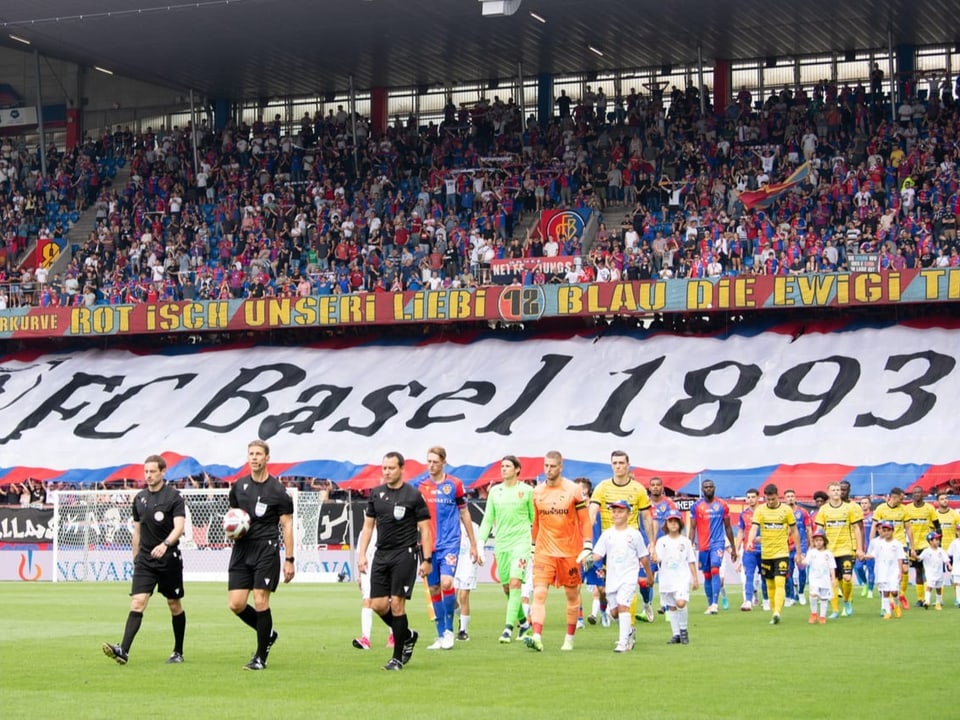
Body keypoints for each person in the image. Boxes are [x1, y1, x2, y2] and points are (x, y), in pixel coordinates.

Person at [102, 455, 186, 665]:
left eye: (152, 471)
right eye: (146, 472)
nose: (148, 476)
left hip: (169, 558)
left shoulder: (174, 497)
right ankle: (124, 651)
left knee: (174, 604)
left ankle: (178, 651)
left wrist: (165, 544)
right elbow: (137, 532)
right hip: (146, 561)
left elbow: (179, 528)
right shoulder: (139, 498)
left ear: (163, 471)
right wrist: (135, 558)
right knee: (138, 602)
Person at [357, 451, 433, 671]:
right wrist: (362, 554)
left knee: (398, 605)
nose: (387, 472)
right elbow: (368, 527)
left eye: (391, 468)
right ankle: (407, 635)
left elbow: (425, 531)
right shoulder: (376, 494)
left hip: (405, 554)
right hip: (381, 555)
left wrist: (426, 559)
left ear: (402, 469)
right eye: (384, 468)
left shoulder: (413, 495)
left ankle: (397, 657)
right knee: (377, 604)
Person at [226, 440, 295, 671]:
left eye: (258, 454)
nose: (254, 458)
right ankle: (268, 633)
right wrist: (232, 530)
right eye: (251, 454)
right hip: (241, 549)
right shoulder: (239, 486)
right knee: (236, 604)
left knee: (260, 600)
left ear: (267, 458)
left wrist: (289, 559)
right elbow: (233, 515)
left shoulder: (277, 491)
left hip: (266, 549)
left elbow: (286, 526)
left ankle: (260, 657)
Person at [410, 446, 479, 651]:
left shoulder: (455, 484)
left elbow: (465, 514)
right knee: (433, 588)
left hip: (450, 542)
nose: (431, 465)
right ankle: (440, 634)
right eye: (428, 461)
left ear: (443, 463)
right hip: (428, 544)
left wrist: (474, 544)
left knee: (447, 583)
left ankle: (449, 630)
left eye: (435, 462)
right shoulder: (419, 485)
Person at [525, 450, 592, 652]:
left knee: (572, 596)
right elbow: (537, 522)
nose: (548, 469)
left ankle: (569, 639)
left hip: (569, 552)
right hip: (544, 551)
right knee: (539, 592)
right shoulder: (537, 492)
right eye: (546, 465)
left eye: (552, 466)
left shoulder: (573, 490)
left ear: (561, 467)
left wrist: (587, 543)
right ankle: (536, 636)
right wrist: (533, 545)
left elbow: (585, 519)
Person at [589, 451, 655, 623]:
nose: (618, 466)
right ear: (611, 465)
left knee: (635, 583)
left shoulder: (638, 489)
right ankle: (610, 612)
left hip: (630, 543)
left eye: (621, 463)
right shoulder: (602, 487)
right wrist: (586, 539)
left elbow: (647, 518)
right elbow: (592, 512)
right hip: (608, 543)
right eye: (615, 463)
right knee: (604, 591)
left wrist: (652, 543)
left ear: (628, 465)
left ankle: (633, 625)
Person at [476, 455, 534, 643]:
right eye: (502, 466)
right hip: (502, 544)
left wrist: (533, 543)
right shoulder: (495, 491)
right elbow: (487, 519)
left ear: (517, 469)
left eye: (508, 466)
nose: (503, 469)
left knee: (517, 583)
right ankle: (525, 624)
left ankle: (508, 628)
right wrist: (480, 543)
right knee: (508, 588)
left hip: (521, 543)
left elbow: (534, 518)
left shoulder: (526, 491)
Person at [589, 499, 653, 652]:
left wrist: (649, 576)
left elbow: (643, 557)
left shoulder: (634, 534)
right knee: (614, 612)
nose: (616, 514)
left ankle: (622, 642)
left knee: (624, 605)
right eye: (614, 511)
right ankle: (629, 631)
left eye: (620, 511)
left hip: (629, 577)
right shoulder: (607, 534)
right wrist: (586, 559)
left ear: (628, 513)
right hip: (612, 578)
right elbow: (598, 554)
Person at [746, 484, 802, 624]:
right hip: (766, 554)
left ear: (777, 496)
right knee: (770, 585)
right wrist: (749, 541)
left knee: (779, 582)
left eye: (772, 499)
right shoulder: (760, 510)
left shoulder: (786, 510)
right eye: (768, 499)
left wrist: (799, 552)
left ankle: (777, 611)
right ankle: (774, 613)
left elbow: (794, 531)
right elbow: (754, 527)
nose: (770, 502)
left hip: (782, 552)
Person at [814, 481, 864, 619]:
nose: (837, 492)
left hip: (846, 549)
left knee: (847, 578)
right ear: (829, 492)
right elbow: (819, 530)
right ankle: (835, 610)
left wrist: (859, 548)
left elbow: (856, 528)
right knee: (834, 581)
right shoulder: (823, 510)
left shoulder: (848, 509)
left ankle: (847, 600)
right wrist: (816, 548)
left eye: (838, 490)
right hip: (829, 551)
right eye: (834, 490)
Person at [689, 478, 737, 614]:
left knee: (715, 569)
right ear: (702, 490)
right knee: (707, 575)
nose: (708, 489)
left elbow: (728, 527)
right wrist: (689, 545)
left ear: (714, 488)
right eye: (706, 487)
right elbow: (692, 528)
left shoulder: (722, 505)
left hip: (718, 543)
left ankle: (715, 604)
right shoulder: (696, 506)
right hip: (703, 545)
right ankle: (710, 604)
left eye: (711, 487)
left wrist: (733, 548)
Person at [655, 509, 698, 645]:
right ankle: (676, 634)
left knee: (681, 602)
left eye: (675, 521)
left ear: (680, 523)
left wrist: (695, 578)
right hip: (666, 578)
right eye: (670, 521)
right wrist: (653, 557)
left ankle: (684, 630)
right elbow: (658, 558)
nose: (673, 524)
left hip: (681, 578)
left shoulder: (685, 542)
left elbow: (691, 560)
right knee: (672, 606)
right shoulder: (661, 541)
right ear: (666, 524)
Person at [352, 527, 393, 651]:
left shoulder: (387, 529)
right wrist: (360, 576)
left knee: (389, 602)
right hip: (368, 570)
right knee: (367, 601)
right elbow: (361, 554)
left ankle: (394, 635)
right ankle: (365, 639)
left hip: (384, 568)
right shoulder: (364, 532)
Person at [870, 487, 909, 609]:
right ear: (894, 497)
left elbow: (908, 528)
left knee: (905, 570)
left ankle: (900, 594)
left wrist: (912, 545)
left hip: (900, 543)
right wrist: (871, 542)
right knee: (883, 571)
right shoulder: (881, 509)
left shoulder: (904, 509)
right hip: (884, 544)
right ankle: (889, 599)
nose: (902, 500)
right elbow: (874, 526)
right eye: (901, 498)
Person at [904, 486, 939, 607]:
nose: (917, 495)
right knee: (918, 571)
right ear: (912, 495)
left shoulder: (930, 508)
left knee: (928, 571)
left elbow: (937, 525)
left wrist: (939, 542)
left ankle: (930, 598)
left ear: (923, 494)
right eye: (915, 493)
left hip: (926, 545)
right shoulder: (907, 509)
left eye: (919, 492)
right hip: (913, 545)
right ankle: (920, 598)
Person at [865, 520, 906, 620]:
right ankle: (888, 612)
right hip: (883, 571)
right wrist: (863, 556)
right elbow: (873, 554)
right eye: (884, 530)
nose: (886, 532)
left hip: (894, 571)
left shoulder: (897, 544)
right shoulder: (879, 544)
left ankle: (896, 605)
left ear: (892, 531)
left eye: (888, 530)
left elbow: (900, 558)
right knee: (885, 591)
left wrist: (900, 572)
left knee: (894, 591)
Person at [736, 488, 768, 612]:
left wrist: (763, 538)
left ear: (758, 498)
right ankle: (748, 601)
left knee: (765, 576)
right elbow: (740, 532)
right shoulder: (744, 514)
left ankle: (766, 600)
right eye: (748, 497)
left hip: (764, 550)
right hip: (749, 550)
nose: (750, 499)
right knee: (748, 575)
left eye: (753, 497)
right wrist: (737, 548)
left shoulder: (765, 513)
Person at [784, 488, 812, 605]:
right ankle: (790, 596)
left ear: (795, 498)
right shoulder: (782, 512)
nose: (790, 498)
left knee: (801, 569)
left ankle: (800, 593)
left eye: (792, 496)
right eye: (788, 496)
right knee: (787, 572)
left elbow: (809, 529)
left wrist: (810, 544)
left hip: (801, 545)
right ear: (784, 499)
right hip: (786, 546)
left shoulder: (803, 512)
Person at [803, 529, 835, 624]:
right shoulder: (811, 552)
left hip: (824, 579)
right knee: (813, 595)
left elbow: (832, 566)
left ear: (824, 541)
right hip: (814, 578)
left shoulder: (828, 554)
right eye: (816, 540)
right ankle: (813, 614)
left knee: (824, 598)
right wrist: (800, 560)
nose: (818, 542)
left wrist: (833, 578)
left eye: (820, 540)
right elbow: (806, 562)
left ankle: (822, 616)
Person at [917, 532, 951, 609]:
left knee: (938, 589)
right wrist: (915, 556)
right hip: (930, 573)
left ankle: (938, 603)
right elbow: (920, 558)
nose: (938, 541)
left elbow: (946, 559)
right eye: (936, 539)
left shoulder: (941, 550)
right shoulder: (926, 551)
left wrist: (949, 565)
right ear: (930, 541)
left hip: (939, 573)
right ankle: (927, 601)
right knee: (929, 586)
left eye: (938, 539)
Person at [854, 497, 876, 599]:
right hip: (860, 547)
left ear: (869, 505)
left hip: (871, 547)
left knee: (871, 569)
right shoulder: (857, 517)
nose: (863, 505)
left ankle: (870, 590)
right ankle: (865, 584)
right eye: (862, 503)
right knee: (858, 568)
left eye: (866, 503)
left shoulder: (874, 516)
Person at [947, 522, 960, 608]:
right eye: (959, 530)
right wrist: (949, 564)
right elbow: (948, 554)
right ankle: (959, 600)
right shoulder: (954, 542)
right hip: (957, 567)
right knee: (958, 584)